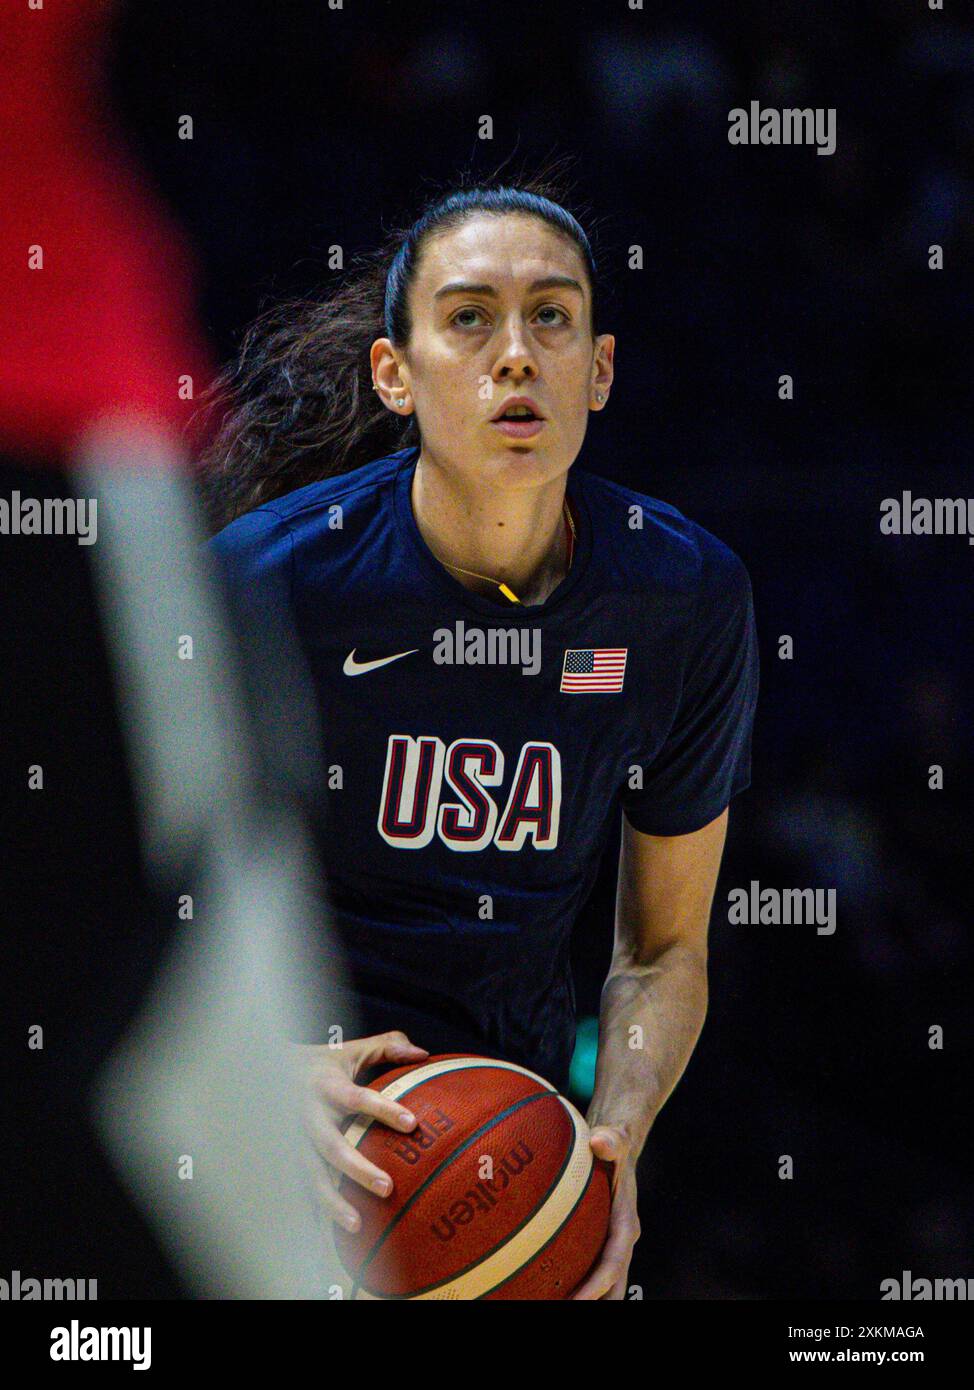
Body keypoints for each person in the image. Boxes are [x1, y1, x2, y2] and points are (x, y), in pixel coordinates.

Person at [203, 176, 759, 1299]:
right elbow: (111, 895)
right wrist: (267, 1072)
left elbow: (661, 950)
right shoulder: (263, 585)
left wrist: (611, 1140)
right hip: (261, 1121)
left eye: (551, 316)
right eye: (469, 318)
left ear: (598, 369)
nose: (515, 354)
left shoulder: (683, 599)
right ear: (393, 375)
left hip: (496, 1142)